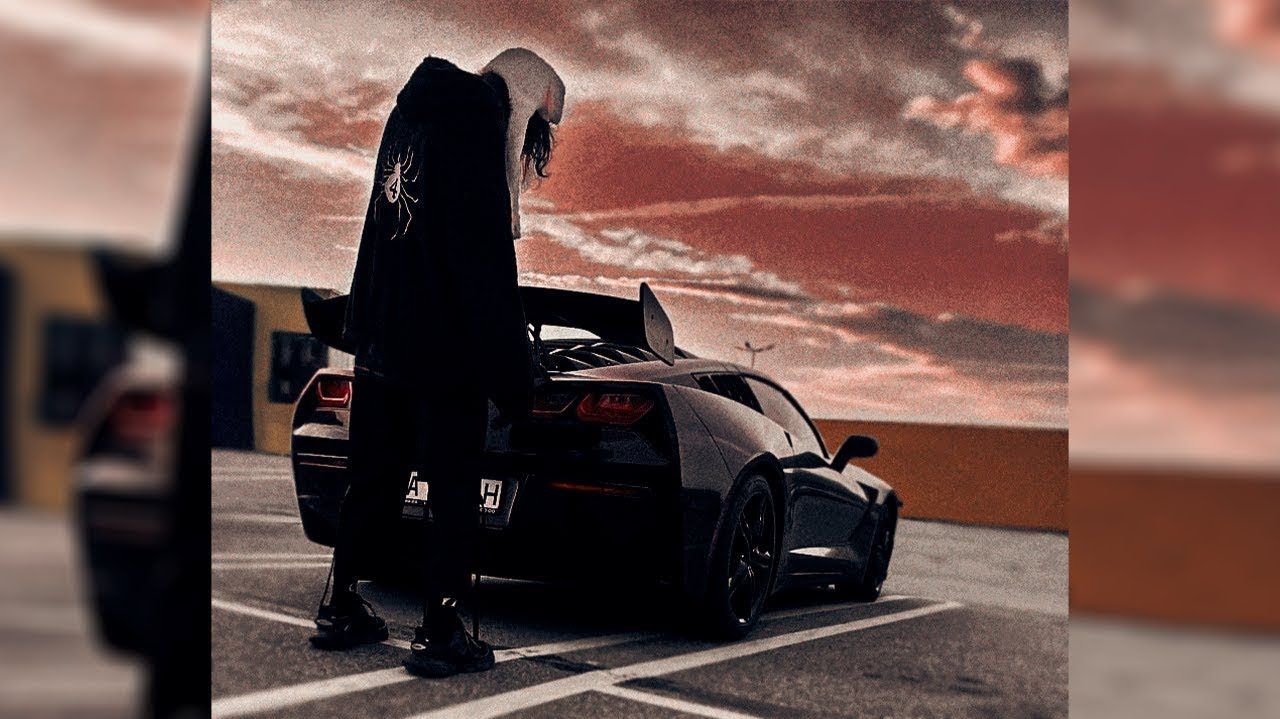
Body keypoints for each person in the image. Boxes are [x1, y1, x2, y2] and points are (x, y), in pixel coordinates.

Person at [308, 48, 564, 679]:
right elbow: (480, 260)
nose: (532, 145)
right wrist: (514, 377)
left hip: (384, 331)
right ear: (521, 103)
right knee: (453, 491)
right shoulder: (477, 122)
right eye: (536, 127)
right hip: (445, 344)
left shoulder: (411, 113)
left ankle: (340, 607)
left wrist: (364, 321)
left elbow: (380, 223)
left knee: (373, 478)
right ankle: (441, 632)